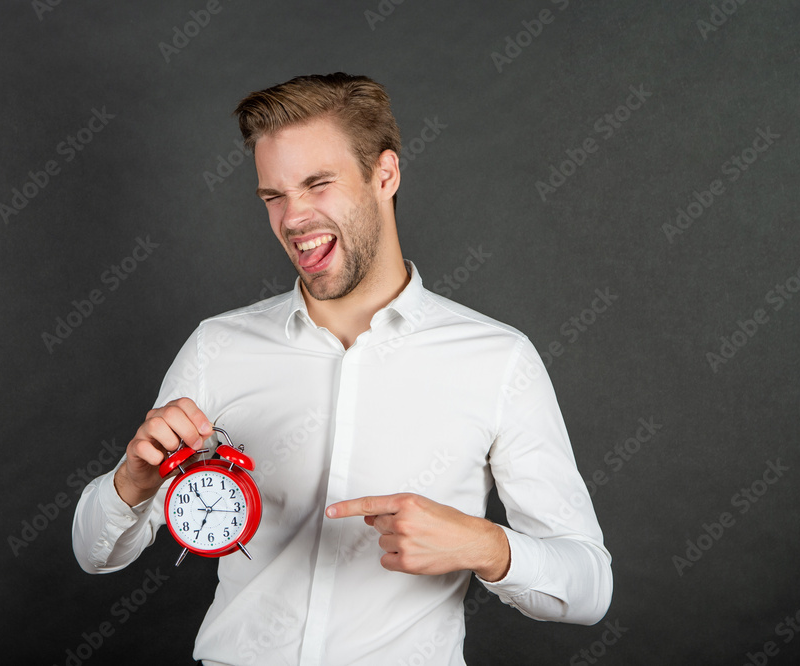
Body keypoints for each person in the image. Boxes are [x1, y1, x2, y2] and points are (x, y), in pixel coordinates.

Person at [72, 72, 612, 666]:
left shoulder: (499, 359)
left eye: (317, 184)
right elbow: (95, 553)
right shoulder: (218, 346)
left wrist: (485, 545)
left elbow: (589, 586)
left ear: (385, 175)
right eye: (273, 196)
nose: (293, 217)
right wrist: (133, 480)